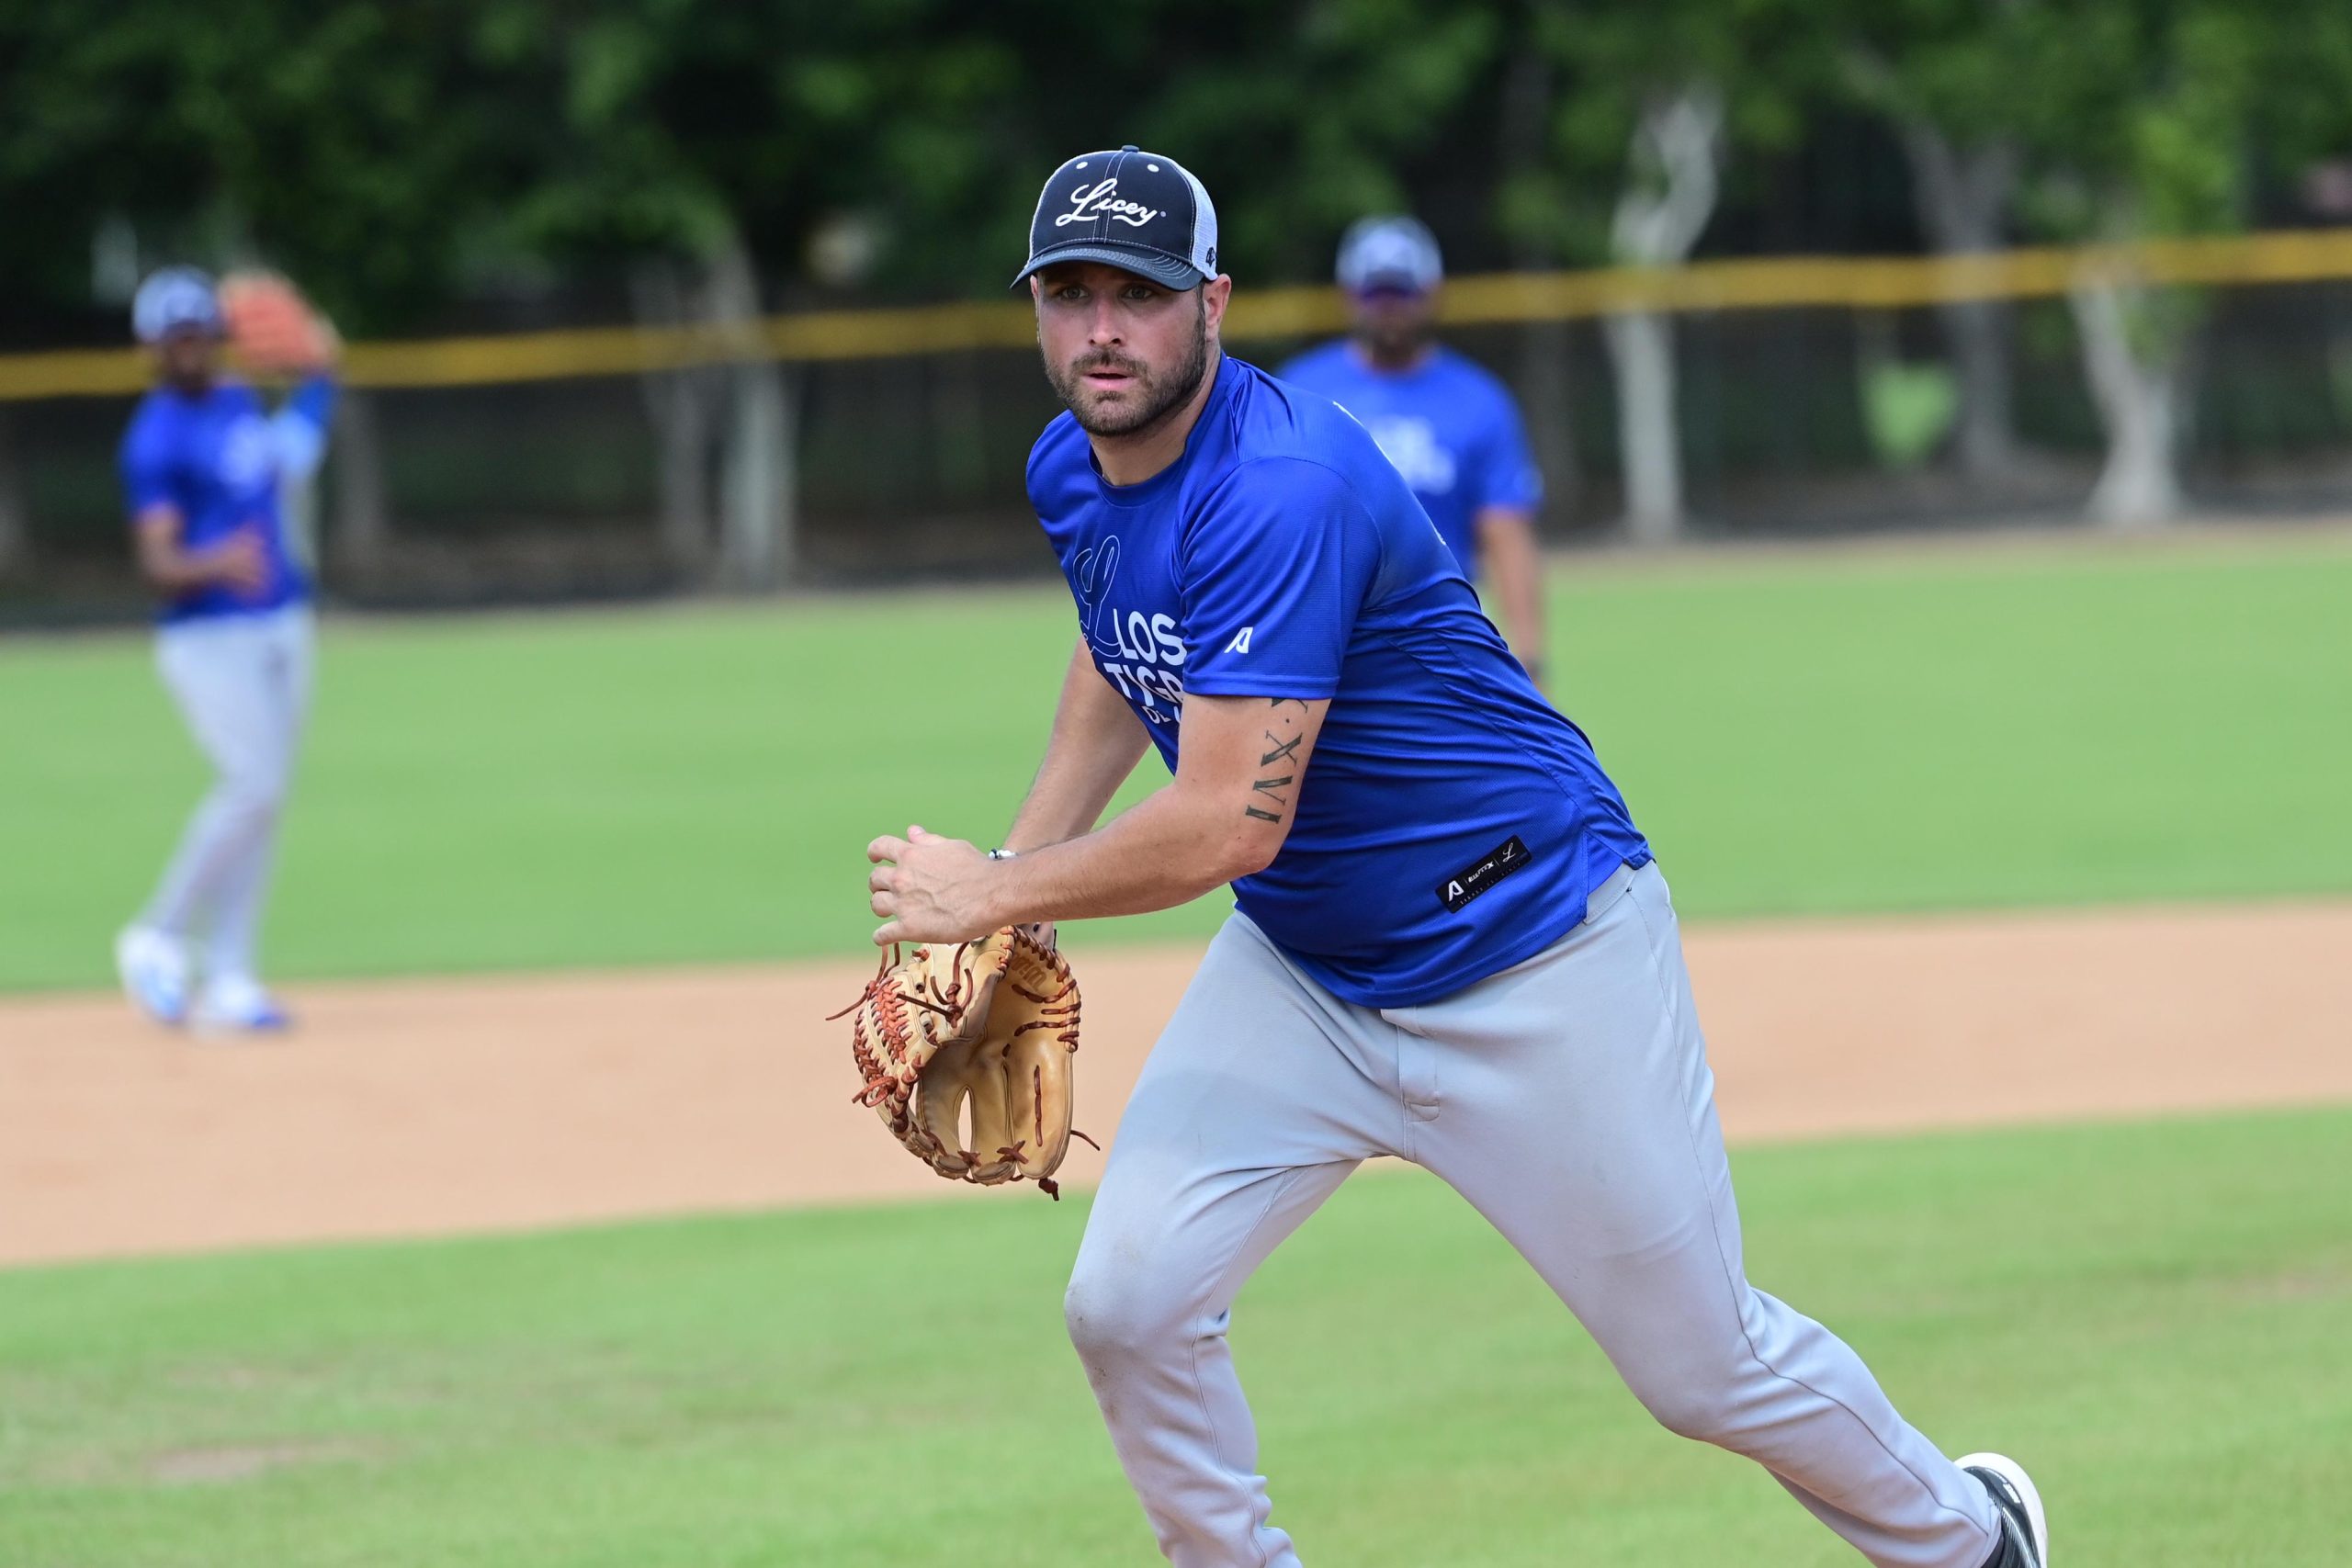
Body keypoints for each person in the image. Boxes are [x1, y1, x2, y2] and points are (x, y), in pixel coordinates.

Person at [864, 146, 2049, 1568]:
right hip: (1309, 974)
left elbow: (1233, 820)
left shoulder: (1282, 486)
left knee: (1702, 1367)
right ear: (1037, 310)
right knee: (1127, 1300)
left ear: (1215, 304)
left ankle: (1973, 1538)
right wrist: (1023, 871)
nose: (1102, 326)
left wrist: (987, 892)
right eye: (1070, 292)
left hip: (1535, 948)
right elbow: (1124, 656)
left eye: (1141, 291)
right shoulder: (1076, 463)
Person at [112, 266, 335, 1034]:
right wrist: (216, 563)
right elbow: (156, 565)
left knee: (265, 802)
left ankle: (232, 976)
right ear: (152, 347)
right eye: (174, 336)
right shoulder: (155, 439)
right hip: (209, 637)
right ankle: (156, 933)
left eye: (200, 331)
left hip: (280, 623)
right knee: (251, 783)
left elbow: (291, 459)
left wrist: (322, 378)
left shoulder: (240, 401)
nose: (190, 346)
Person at [1277, 215, 1549, 682]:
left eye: (1402, 292)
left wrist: (1530, 660)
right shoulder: (1300, 391)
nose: (1388, 307)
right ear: (1348, 294)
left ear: (1433, 292)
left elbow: (1507, 534)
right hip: (1317, 635)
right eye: (1374, 292)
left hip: (1438, 638)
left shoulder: (1478, 400)